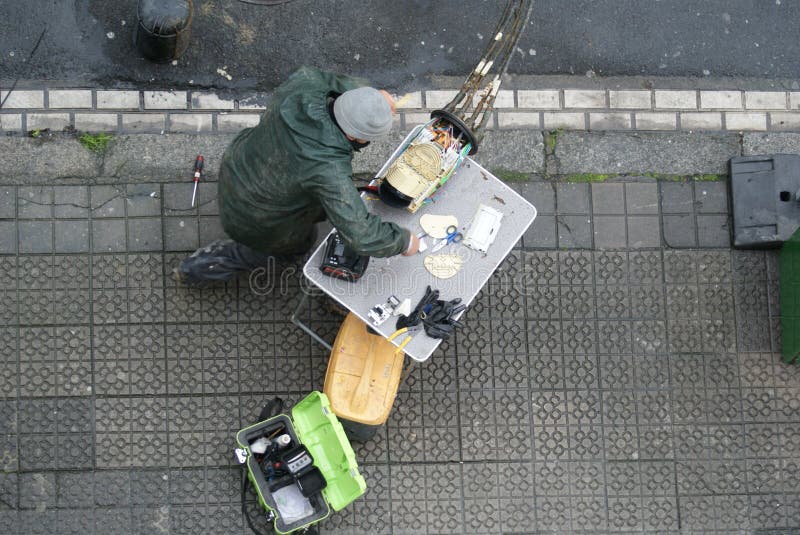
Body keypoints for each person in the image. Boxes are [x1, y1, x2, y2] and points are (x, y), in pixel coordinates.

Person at [176, 66, 420, 284]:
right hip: (258, 220)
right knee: (292, 249)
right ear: (355, 137)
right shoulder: (327, 167)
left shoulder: (304, 83)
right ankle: (203, 267)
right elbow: (361, 234)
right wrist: (404, 241)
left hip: (238, 165)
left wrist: (370, 96)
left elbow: (332, 83)